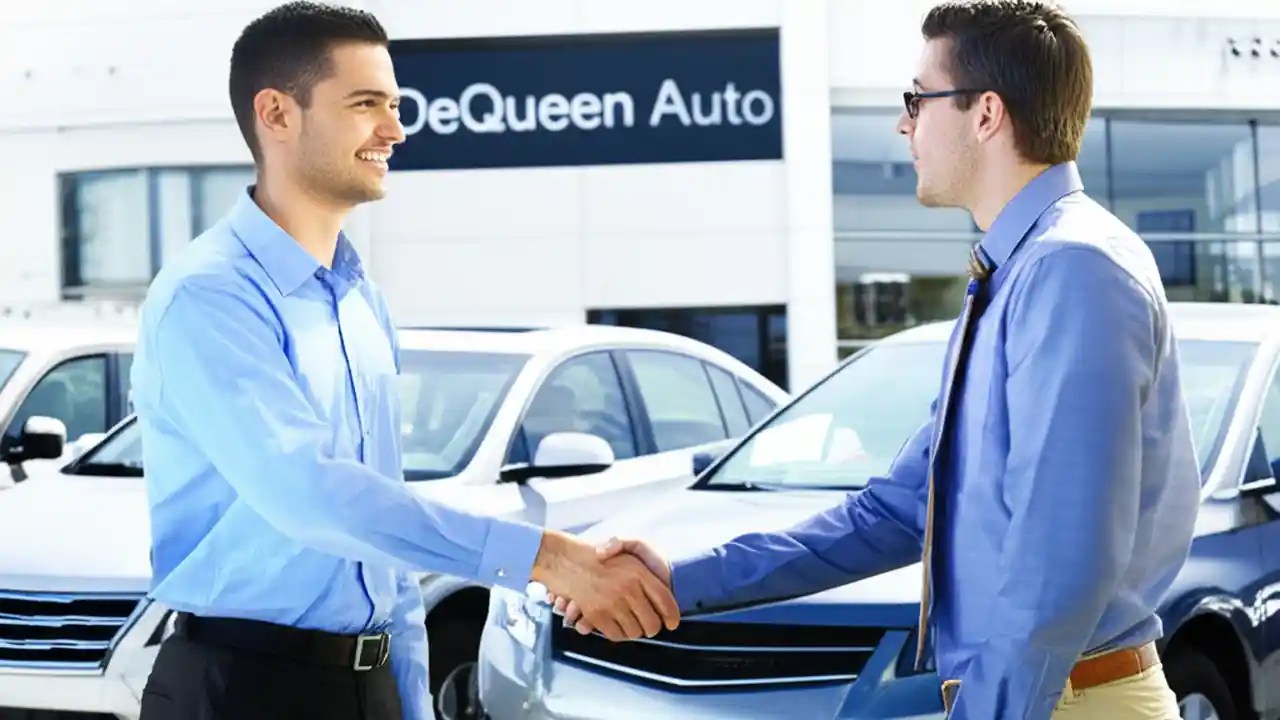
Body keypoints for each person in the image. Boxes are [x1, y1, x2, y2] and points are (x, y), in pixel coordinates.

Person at [551, 1, 1199, 718]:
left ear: (986, 114)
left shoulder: (1071, 267)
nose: (903, 124)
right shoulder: (1019, 272)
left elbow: (1061, 560)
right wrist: (677, 577)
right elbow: (892, 512)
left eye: (918, 99)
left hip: (1070, 702)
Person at [130, 3, 677, 719]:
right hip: (241, 688)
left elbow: (382, 544)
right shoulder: (208, 297)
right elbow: (310, 494)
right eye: (365, 105)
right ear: (277, 114)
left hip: (371, 685)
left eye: (394, 105)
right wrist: (548, 558)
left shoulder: (362, 301)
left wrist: (411, 702)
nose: (395, 129)